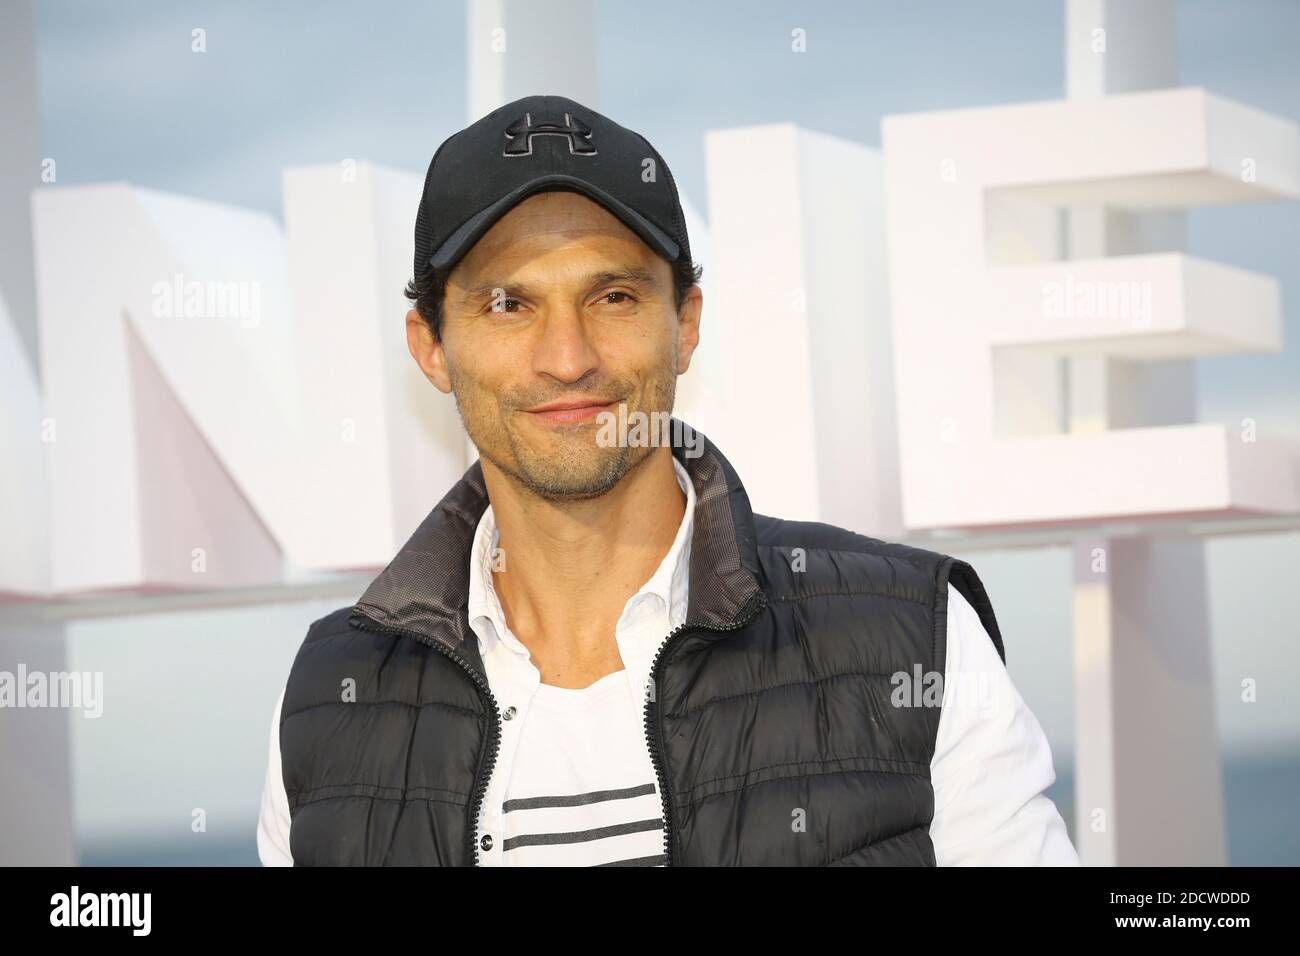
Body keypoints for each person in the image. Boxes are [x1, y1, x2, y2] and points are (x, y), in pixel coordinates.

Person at [257, 93, 1078, 866]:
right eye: (509, 304)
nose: (568, 358)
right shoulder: (334, 700)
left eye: (612, 296)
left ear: (684, 324)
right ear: (431, 346)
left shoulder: (916, 635)